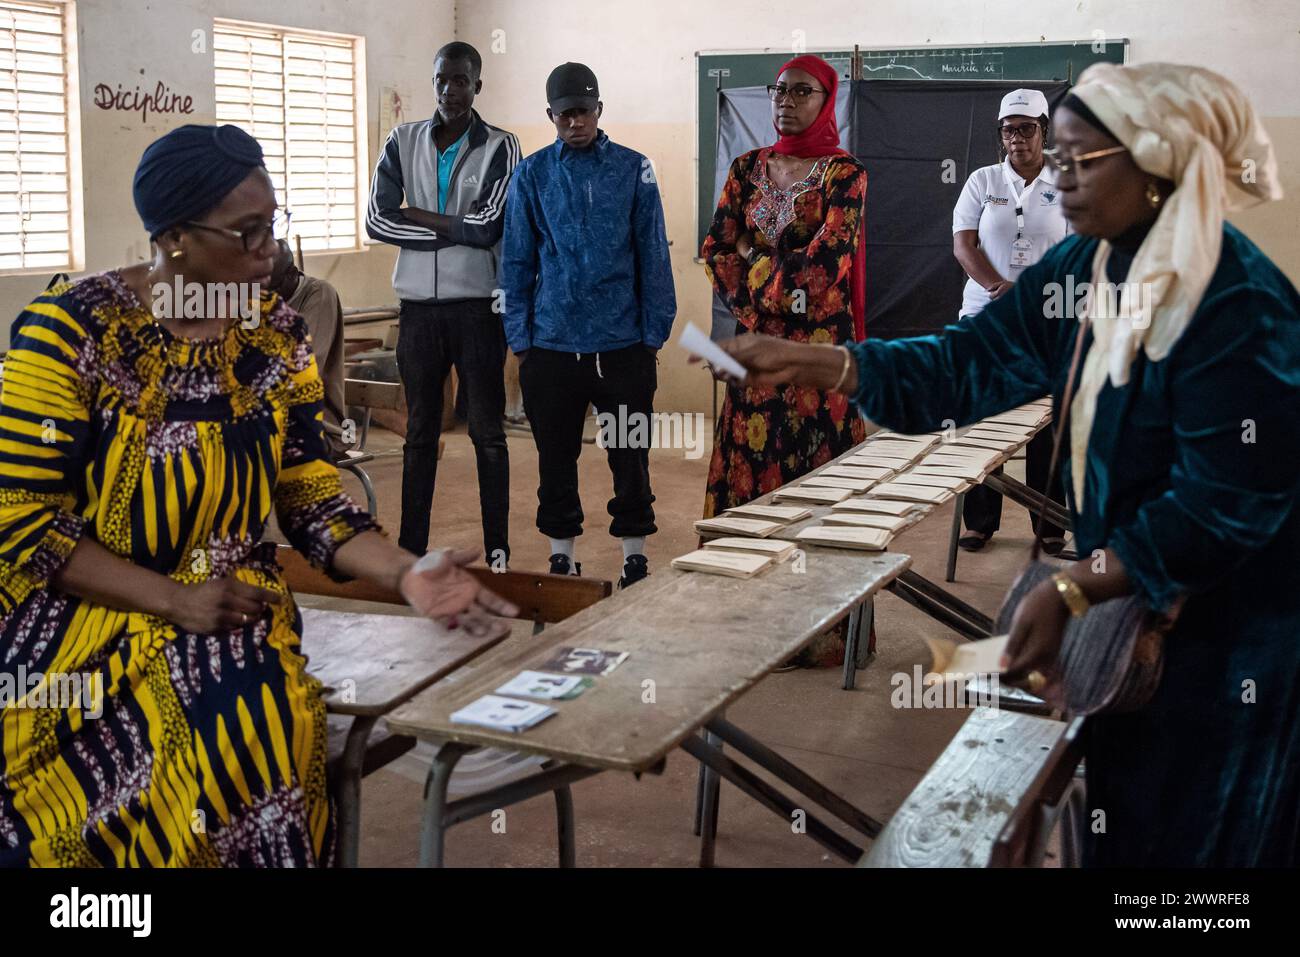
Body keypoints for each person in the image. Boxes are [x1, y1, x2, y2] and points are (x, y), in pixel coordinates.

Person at [707, 63, 1300, 867]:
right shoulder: (1084, 270)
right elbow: (968, 364)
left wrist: (1072, 584)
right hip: (1129, 615)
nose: (1055, 178)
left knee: (1206, 837)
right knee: (1124, 817)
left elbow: (1229, 499)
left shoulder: (1239, 302)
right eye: (1051, 156)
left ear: (1160, 164)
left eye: (1077, 161)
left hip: (1233, 638)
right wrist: (824, 365)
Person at [0, 124, 516, 867]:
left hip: (228, 613)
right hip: (83, 616)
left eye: (273, 224)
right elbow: (24, 523)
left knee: (251, 731)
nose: (269, 250)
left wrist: (403, 571)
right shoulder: (74, 332)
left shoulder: (273, 335)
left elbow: (311, 498)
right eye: (248, 232)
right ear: (175, 238)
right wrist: (171, 599)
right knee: (112, 784)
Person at [501, 62, 676, 588]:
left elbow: (653, 253)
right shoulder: (532, 174)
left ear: (599, 110)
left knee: (630, 453)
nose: (575, 122)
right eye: (565, 115)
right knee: (555, 458)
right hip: (551, 348)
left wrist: (652, 336)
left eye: (584, 112)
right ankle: (561, 556)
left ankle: (634, 555)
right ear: (551, 116)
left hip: (622, 348)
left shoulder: (634, 168)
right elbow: (516, 260)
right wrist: (521, 339)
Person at [367, 41, 520, 567]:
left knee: (487, 433)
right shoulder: (401, 140)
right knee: (419, 434)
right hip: (417, 313)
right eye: (442, 80)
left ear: (478, 84)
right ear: (432, 82)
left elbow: (488, 228)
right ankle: (412, 551)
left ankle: (498, 551)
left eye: (461, 80)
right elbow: (376, 219)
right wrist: (452, 231)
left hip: (477, 310)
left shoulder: (502, 145)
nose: (450, 90)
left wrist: (420, 218)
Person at [699, 54, 867, 520]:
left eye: (801, 91)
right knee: (749, 479)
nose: (786, 101)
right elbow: (716, 249)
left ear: (826, 100)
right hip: (755, 349)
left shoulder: (844, 174)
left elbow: (821, 272)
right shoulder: (744, 168)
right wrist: (762, 305)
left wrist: (753, 255)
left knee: (818, 485)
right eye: (779, 90)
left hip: (818, 356)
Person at [952, 89, 1070, 553]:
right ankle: (981, 522)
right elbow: (964, 245)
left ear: (1044, 129)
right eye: (1008, 130)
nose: (1016, 138)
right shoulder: (983, 181)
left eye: (1026, 129)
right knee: (984, 420)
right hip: (986, 315)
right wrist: (1000, 290)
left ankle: (1049, 526)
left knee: (1046, 426)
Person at [267, 239, 348, 458]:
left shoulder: (319, 294)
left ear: (292, 274)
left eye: (271, 288)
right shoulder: (255, 300)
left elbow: (303, 366)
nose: (264, 296)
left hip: (318, 425)